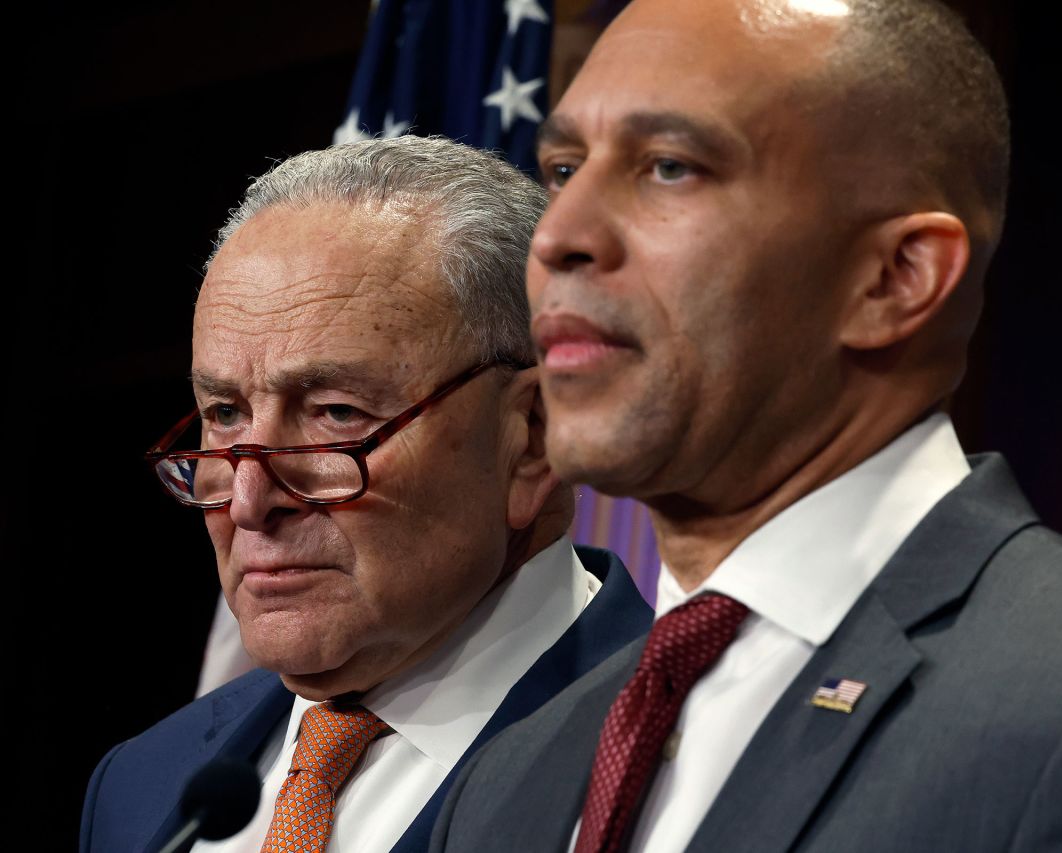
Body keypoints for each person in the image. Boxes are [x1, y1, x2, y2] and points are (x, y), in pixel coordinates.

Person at [429, 1, 1062, 851]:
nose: (559, 237)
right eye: (563, 168)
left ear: (895, 278)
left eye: (670, 167)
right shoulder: (511, 772)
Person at [80, 135, 652, 852]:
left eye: (337, 413)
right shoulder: (142, 783)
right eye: (224, 413)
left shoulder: (691, 752)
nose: (251, 499)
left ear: (534, 436)